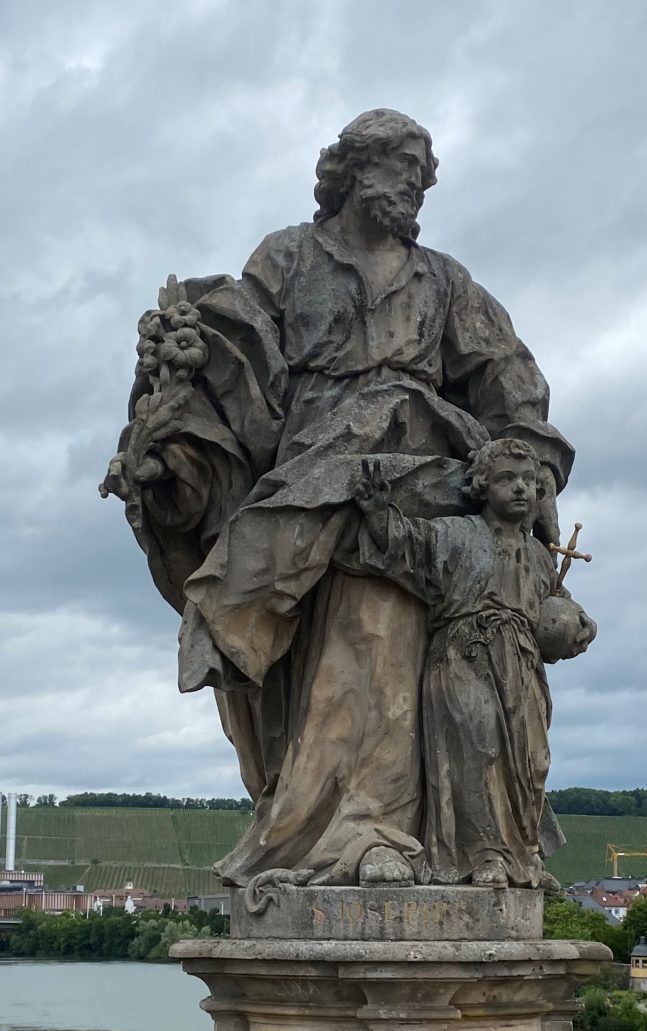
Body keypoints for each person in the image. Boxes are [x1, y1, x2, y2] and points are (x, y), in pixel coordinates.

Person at [102, 110, 575, 886]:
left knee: (382, 622)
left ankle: (376, 831)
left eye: (425, 177)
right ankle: (321, 817)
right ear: (355, 170)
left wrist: (531, 470)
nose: (419, 188)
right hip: (307, 475)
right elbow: (232, 364)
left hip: (419, 477)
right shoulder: (289, 256)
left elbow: (511, 384)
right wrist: (172, 426)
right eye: (406, 170)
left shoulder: (446, 281)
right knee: (291, 656)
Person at [354, 442, 596, 888]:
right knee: (475, 748)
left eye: (529, 481)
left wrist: (579, 627)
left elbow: (552, 615)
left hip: (523, 668)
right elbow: (408, 545)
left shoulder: (542, 556)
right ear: (482, 486)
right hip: (464, 655)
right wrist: (377, 514)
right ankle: (482, 856)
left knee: (530, 761)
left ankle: (522, 857)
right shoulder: (456, 534)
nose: (521, 488)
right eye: (507, 479)